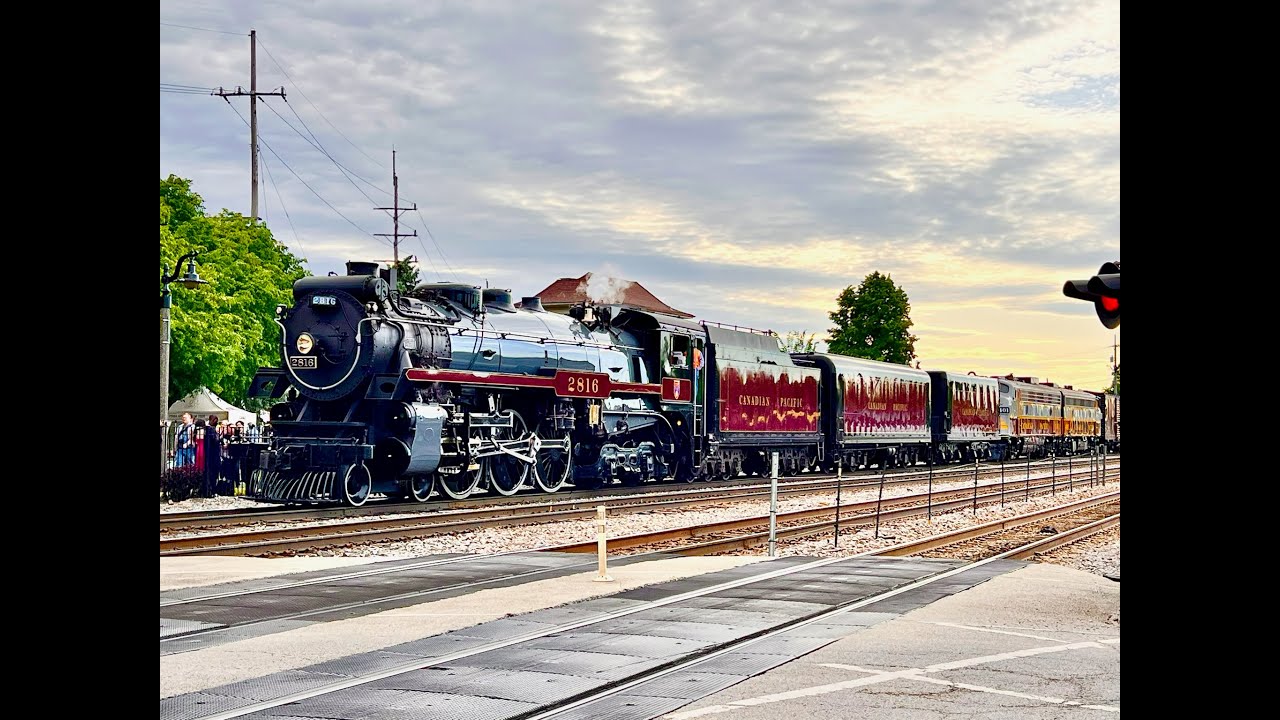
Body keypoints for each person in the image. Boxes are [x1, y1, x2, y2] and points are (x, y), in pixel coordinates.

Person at [205, 414, 223, 495]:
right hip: (213, 455)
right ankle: (211, 489)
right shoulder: (210, 430)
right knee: (212, 473)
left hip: (213, 455)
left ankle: (212, 489)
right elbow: (216, 441)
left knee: (214, 473)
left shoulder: (211, 430)